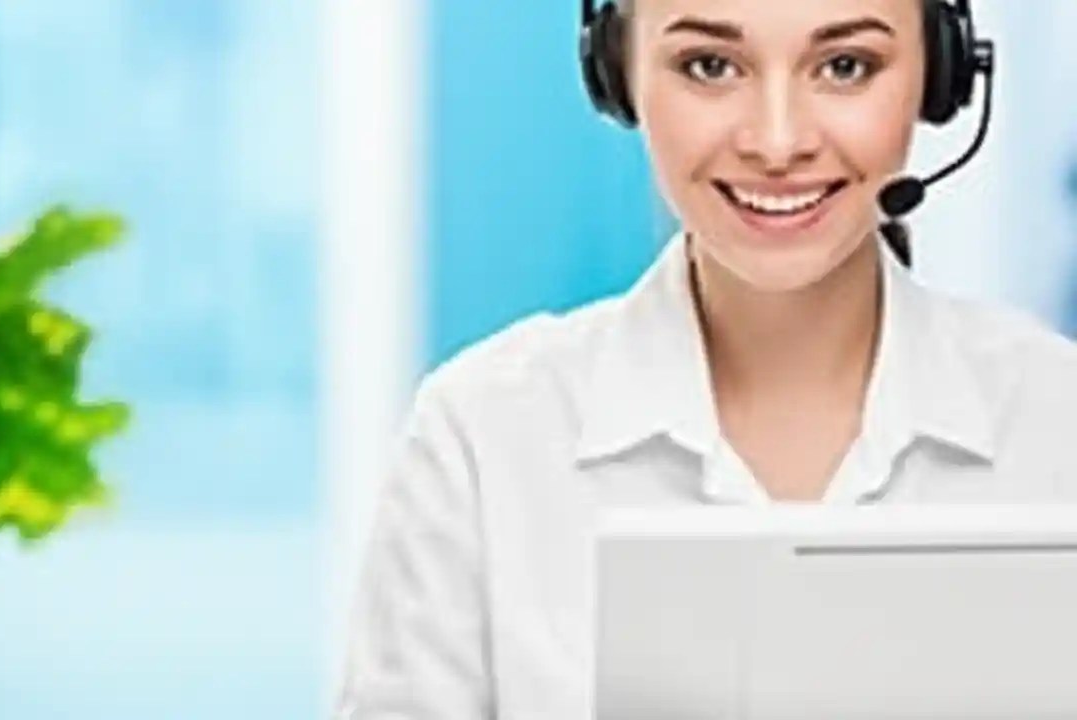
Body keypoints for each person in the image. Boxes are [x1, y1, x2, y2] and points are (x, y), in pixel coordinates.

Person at [333, 0, 1077, 717]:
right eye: (711, 66)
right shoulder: (482, 438)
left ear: (940, 72)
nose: (778, 143)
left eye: (845, 66)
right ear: (617, 72)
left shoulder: (1056, 420)